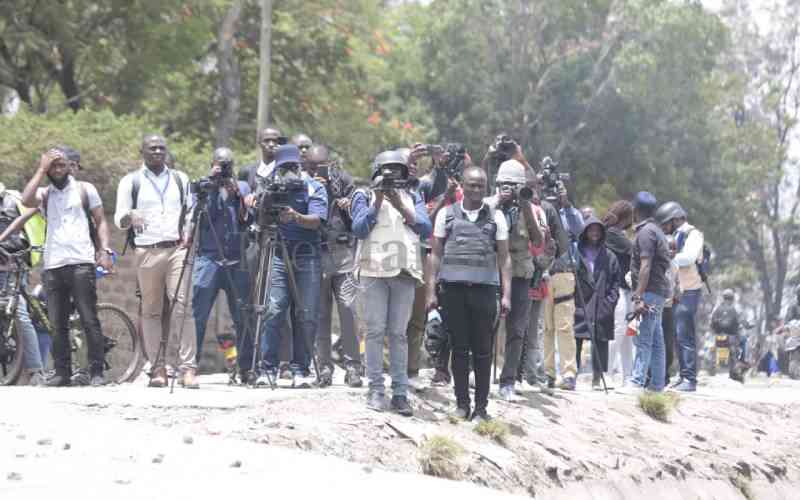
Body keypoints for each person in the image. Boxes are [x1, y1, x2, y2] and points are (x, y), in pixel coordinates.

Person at [20, 147, 113, 387]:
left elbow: (101, 221)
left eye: (62, 165)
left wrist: (104, 251)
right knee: (57, 322)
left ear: (69, 166)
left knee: (88, 318)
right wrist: (41, 168)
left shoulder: (85, 189)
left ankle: (96, 371)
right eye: (53, 166)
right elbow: (25, 199)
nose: (58, 169)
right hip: (53, 265)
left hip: (81, 262)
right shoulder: (45, 193)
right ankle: (62, 372)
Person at [351, 150, 432, 416]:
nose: (391, 176)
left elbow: (425, 227)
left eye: (396, 171)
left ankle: (399, 393)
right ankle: (375, 389)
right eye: (387, 171)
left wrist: (399, 204)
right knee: (374, 332)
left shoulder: (413, 195)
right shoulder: (363, 194)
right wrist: (377, 202)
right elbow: (359, 228)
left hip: (404, 272)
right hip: (373, 271)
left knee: (398, 334)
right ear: (376, 171)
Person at [427, 166, 511, 422]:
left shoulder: (497, 217)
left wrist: (506, 294)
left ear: (487, 188)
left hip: (485, 291)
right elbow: (436, 255)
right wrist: (431, 291)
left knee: (483, 350)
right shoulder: (446, 214)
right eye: (471, 185)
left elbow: (505, 258)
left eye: (481, 185)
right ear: (463, 185)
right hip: (452, 291)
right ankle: (462, 404)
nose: (476, 189)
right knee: (459, 349)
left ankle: (481, 408)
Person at [114, 135, 196, 389]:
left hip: (176, 249)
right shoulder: (131, 181)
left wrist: (188, 231)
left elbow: (191, 209)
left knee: (183, 305)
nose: (158, 151)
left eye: (162, 148)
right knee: (151, 310)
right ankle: (158, 367)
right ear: (143, 152)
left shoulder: (180, 179)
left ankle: (188, 368)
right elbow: (118, 219)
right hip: (147, 251)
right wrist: (130, 217)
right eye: (153, 148)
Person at [246, 144, 328, 388]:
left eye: (293, 167)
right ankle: (266, 368)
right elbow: (259, 221)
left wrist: (295, 217)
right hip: (278, 254)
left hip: (307, 256)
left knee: (307, 314)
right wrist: (265, 203)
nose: (289, 172)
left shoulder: (314, 186)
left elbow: (317, 221)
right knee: (273, 309)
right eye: (284, 168)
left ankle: (300, 370)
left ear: (300, 166)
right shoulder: (269, 186)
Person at [190, 148, 252, 379]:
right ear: (212, 164)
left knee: (243, 315)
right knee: (198, 314)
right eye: (220, 163)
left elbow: (248, 218)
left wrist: (237, 196)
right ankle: (190, 366)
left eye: (228, 164)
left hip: (237, 260)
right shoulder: (205, 186)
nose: (224, 167)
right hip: (208, 259)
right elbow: (201, 218)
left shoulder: (242, 187)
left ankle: (245, 367)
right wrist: (213, 187)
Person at [306, 145, 363, 388]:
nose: (316, 171)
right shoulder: (302, 183)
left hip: (342, 254)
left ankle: (353, 367)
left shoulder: (344, 180)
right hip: (315, 253)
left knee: (348, 310)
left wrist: (346, 205)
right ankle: (324, 367)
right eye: (311, 166)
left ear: (330, 163)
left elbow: (359, 218)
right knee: (320, 314)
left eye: (321, 166)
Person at [491, 159, 544, 399]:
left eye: (516, 186)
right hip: (492, 272)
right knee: (485, 325)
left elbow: (538, 241)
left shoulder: (531, 209)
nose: (512, 190)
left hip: (521, 274)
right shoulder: (487, 205)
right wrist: (498, 204)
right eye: (507, 185)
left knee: (517, 330)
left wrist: (525, 207)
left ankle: (508, 381)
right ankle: (477, 373)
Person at [404, 144, 448, 386]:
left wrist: (439, 165)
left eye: (414, 164)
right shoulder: (384, 186)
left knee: (417, 316)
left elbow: (439, 188)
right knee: (391, 317)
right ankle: (381, 369)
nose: (411, 168)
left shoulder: (419, 187)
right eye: (406, 163)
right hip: (393, 255)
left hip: (419, 255)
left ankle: (411, 370)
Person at [0, 184, 46, 385]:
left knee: (18, 313)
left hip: (14, 264)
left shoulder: (14, 199)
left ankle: (36, 370)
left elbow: (30, 224)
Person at [626, 192, 672, 393]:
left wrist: (638, 296)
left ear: (635, 211)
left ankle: (636, 381)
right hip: (658, 291)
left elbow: (645, 266)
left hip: (649, 291)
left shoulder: (645, 233)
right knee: (656, 340)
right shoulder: (657, 231)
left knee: (643, 337)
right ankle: (656, 385)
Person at [656, 201, 704, 392]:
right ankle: (683, 375)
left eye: (667, 223)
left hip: (689, 290)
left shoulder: (693, 234)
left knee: (684, 334)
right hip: (676, 291)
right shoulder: (676, 235)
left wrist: (665, 256)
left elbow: (689, 257)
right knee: (675, 335)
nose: (665, 227)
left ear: (675, 219)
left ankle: (690, 379)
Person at [573, 216, 621, 390]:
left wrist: (610, 302)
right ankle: (572, 377)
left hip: (602, 304)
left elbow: (616, 282)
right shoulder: (576, 252)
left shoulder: (610, 256)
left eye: (598, 230)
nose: (594, 233)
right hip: (580, 302)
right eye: (591, 230)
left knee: (600, 340)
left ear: (602, 233)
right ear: (585, 232)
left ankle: (597, 378)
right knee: (575, 339)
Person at [603, 201, 635, 385]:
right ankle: (607, 373)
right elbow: (633, 251)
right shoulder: (612, 234)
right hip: (617, 289)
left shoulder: (614, 234)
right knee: (618, 330)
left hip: (626, 289)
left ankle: (627, 375)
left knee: (628, 335)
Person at [711, 289, 745, 382]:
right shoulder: (735, 308)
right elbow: (739, 322)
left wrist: (715, 331)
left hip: (718, 336)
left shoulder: (717, 308)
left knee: (713, 348)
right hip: (731, 336)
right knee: (737, 350)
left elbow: (712, 321)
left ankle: (712, 367)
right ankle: (735, 371)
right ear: (732, 298)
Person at [662, 235, 681, 386]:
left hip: (668, 310)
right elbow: (631, 277)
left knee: (668, 346)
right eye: (669, 247)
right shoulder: (654, 263)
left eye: (674, 248)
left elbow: (677, 286)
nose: (671, 251)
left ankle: (665, 376)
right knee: (654, 344)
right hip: (654, 309)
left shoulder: (675, 266)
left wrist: (677, 295)